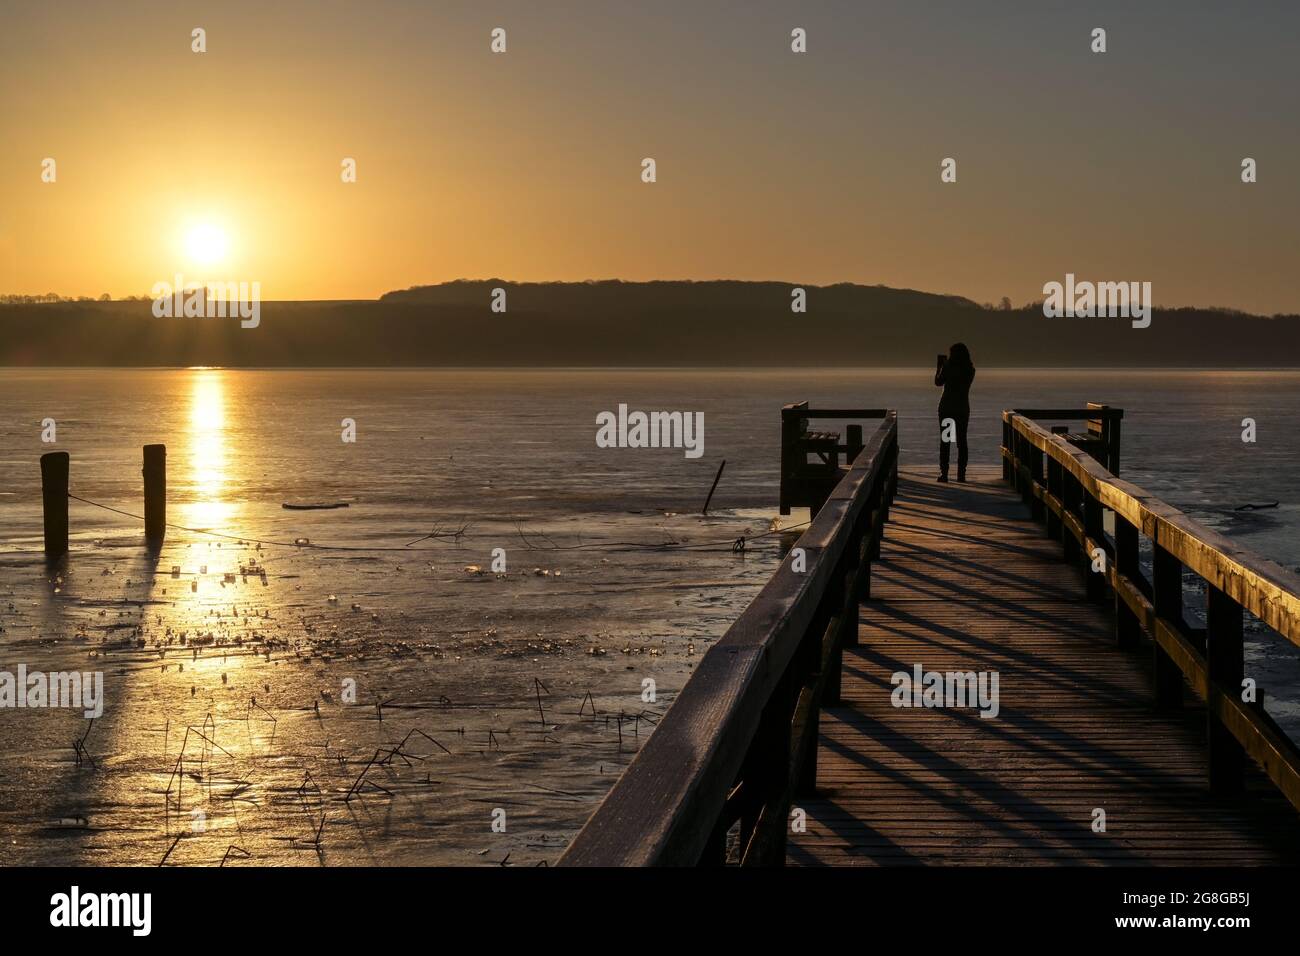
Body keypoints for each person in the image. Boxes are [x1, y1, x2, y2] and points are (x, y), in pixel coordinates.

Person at [934, 342, 975, 483]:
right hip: (962, 409)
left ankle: (944, 473)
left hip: (947, 409)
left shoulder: (948, 367)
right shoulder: (970, 370)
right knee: (961, 441)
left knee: (946, 441)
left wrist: (939, 367)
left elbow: (938, 382)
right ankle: (961, 475)